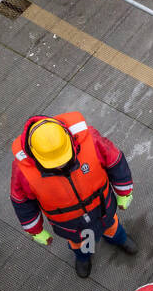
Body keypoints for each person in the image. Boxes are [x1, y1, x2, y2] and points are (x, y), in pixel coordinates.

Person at [10, 111, 136, 278]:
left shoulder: (91, 140)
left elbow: (115, 163)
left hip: (102, 209)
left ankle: (118, 238)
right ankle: (84, 256)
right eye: (54, 164)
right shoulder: (22, 171)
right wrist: (35, 230)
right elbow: (23, 203)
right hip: (72, 224)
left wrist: (124, 191)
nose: (61, 166)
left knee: (112, 226)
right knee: (81, 242)